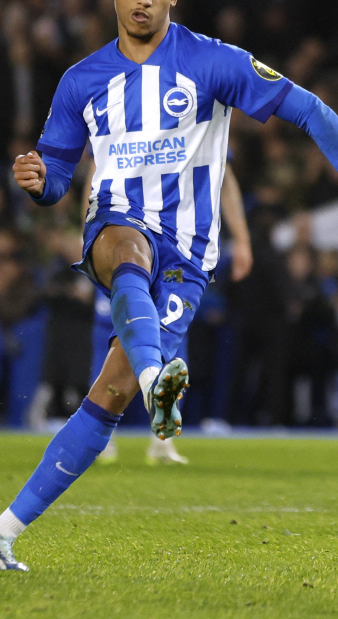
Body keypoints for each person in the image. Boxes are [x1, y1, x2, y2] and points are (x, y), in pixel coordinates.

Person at [0, 0, 338, 571]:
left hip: (191, 254)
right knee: (127, 250)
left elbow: (312, 110)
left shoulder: (213, 62)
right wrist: (38, 181)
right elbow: (56, 175)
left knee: (108, 395)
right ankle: (159, 377)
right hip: (113, 226)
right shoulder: (82, 80)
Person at [93, 167, 253, 465]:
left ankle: (161, 439)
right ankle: (101, 435)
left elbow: (224, 174)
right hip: (129, 238)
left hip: (174, 242)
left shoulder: (200, 120)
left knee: (172, 339)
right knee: (114, 338)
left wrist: (241, 238)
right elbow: (97, 172)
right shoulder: (120, 123)